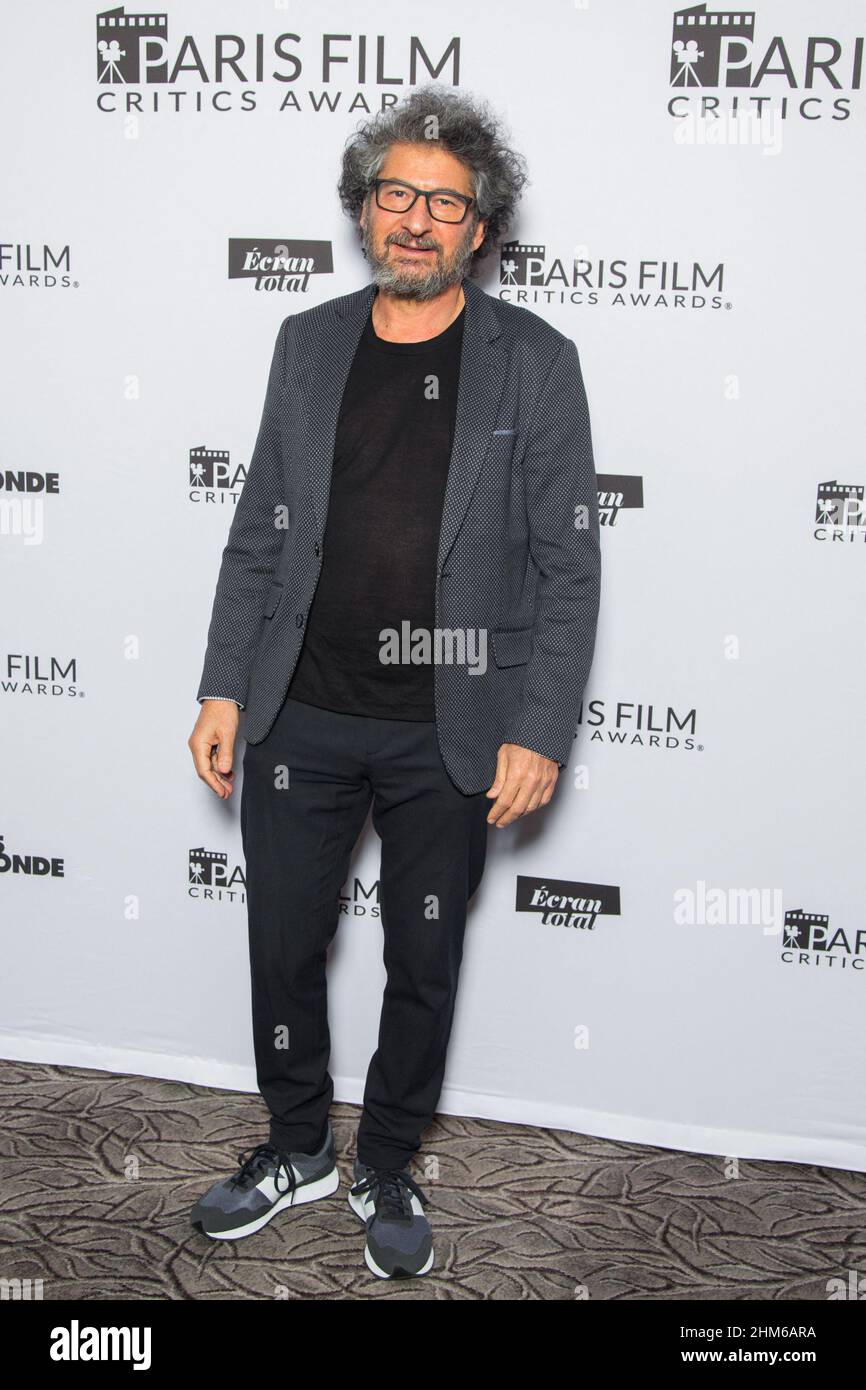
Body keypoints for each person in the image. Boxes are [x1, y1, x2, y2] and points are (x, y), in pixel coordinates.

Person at [187, 85, 601, 1280]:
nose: (416, 220)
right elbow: (258, 531)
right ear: (365, 211)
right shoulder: (306, 344)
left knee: (423, 962)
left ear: (481, 228)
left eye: (445, 204)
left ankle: (386, 1159)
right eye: (395, 195)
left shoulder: (534, 362)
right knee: (280, 945)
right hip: (299, 707)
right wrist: (223, 684)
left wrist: (538, 726)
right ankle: (296, 1143)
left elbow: (568, 561)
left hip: (450, 719)